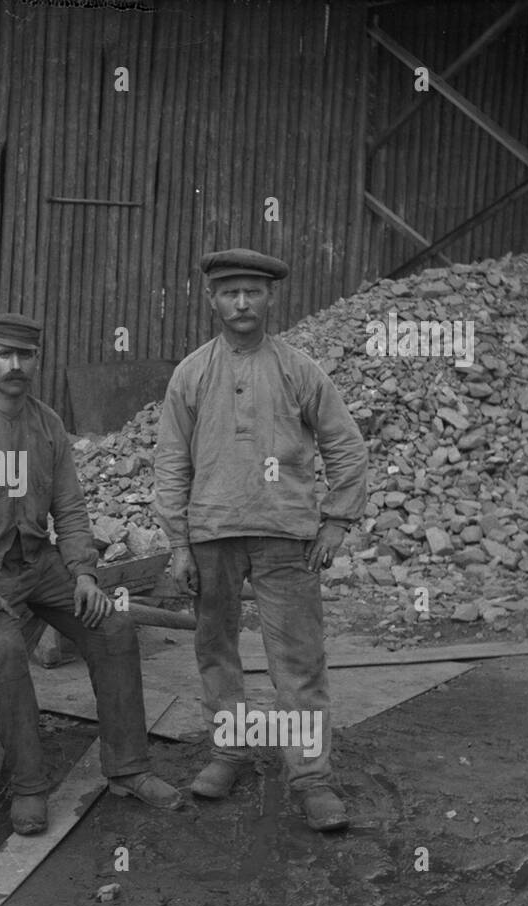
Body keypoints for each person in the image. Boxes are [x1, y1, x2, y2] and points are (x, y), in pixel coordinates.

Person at [0, 313, 183, 836]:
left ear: (37, 361)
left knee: (113, 629)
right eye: (4, 354)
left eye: (26, 356)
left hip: (41, 565)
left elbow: (70, 509)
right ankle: (30, 788)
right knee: (10, 651)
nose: (15, 366)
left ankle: (128, 768)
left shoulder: (49, 426)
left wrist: (85, 574)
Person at [153, 248, 368, 832]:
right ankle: (228, 752)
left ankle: (310, 777)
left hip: (285, 539)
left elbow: (346, 446)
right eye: (230, 292)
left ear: (270, 298)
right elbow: (172, 460)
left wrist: (337, 521)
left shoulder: (300, 370)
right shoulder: (192, 373)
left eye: (252, 291)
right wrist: (178, 542)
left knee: (297, 662)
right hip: (212, 537)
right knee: (216, 654)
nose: (242, 303)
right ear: (212, 299)